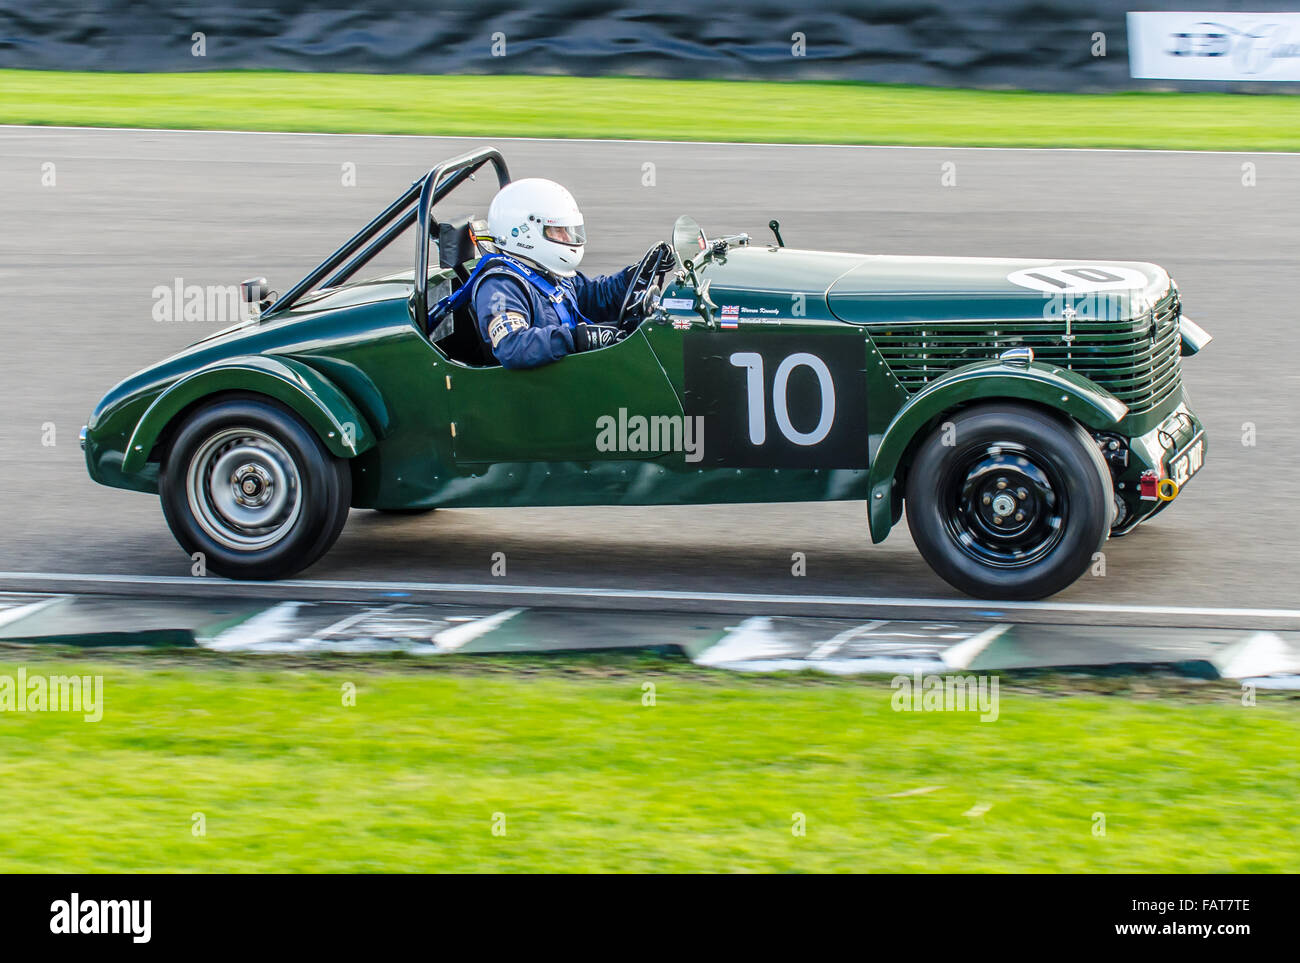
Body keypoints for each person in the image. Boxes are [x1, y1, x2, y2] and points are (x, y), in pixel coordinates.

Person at [468, 178, 672, 369]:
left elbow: (597, 297)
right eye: (557, 231)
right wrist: (577, 338)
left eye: (568, 229)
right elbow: (512, 347)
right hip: (539, 393)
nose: (567, 237)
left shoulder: (548, 273)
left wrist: (637, 274)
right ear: (523, 232)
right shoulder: (500, 286)